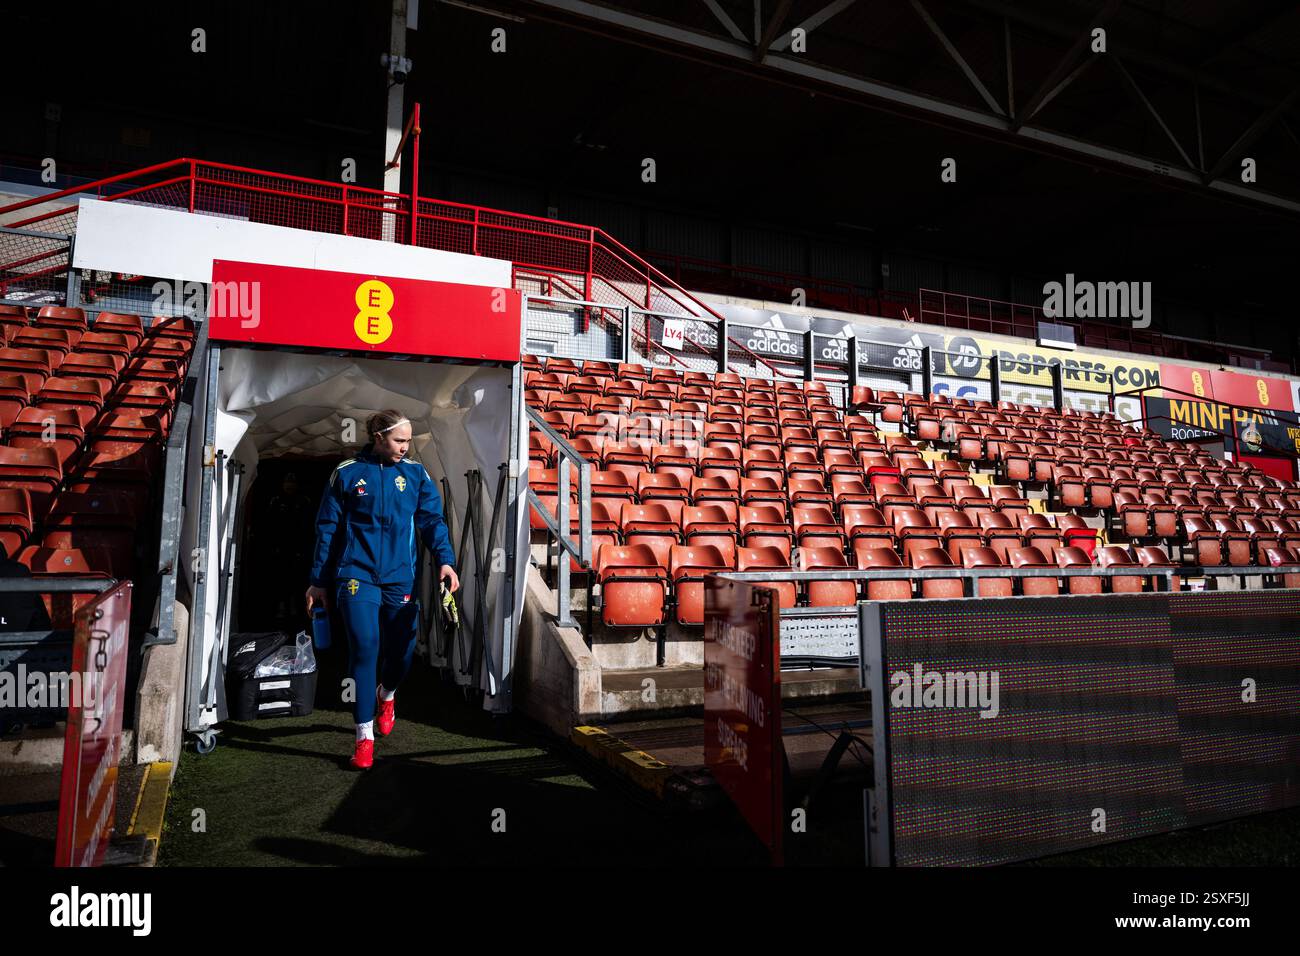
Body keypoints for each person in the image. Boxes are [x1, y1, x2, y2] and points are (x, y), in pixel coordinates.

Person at [305, 410, 459, 770]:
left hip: (400, 577)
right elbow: (327, 529)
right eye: (399, 440)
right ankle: (363, 736)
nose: (406, 447)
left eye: (408, 440)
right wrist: (318, 580)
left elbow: (432, 522)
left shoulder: (416, 475)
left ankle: (386, 694)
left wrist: (445, 561)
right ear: (378, 435)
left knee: (402, 653)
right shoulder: (346, 473)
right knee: (365, 647)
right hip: (355, 575)